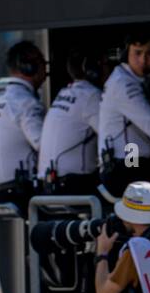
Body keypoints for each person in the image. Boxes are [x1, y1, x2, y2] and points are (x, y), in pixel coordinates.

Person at [98, 35, 150, 197]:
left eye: (149, 54)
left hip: (126, 163)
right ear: (126, 54)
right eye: (137, 53)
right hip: (126, 165)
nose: (143, 60)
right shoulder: (124, 84)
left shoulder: (130, 79)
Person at [0, 40, 47, 215]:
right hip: (17, 192)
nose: (45, 69)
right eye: (42, 62)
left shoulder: (5, 98)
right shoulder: (25, 103)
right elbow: (44, 145)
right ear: (29, 67)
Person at [36, 51, 102, 196]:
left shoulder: (63, 93)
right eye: (102, 65)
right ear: (92, 71)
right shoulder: (91, 95)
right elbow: (110, 135)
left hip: (47, 187)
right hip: (73, 187)